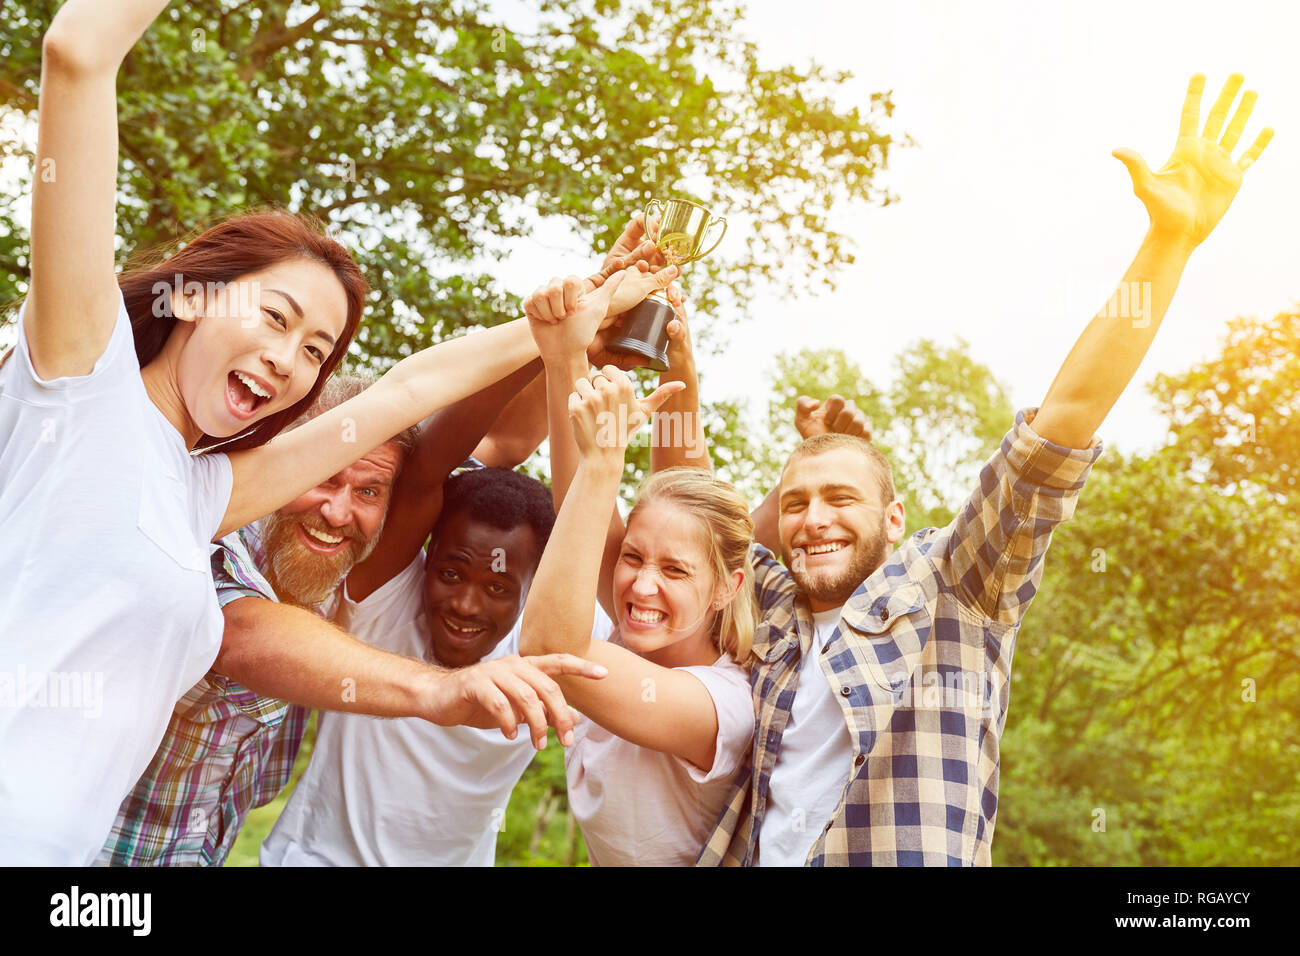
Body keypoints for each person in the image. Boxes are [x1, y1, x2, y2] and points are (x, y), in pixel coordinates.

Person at [0, 0, 673, 865]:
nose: (288, 361)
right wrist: (435, 691)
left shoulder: (207, 492)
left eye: (315, 349)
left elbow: (410, 389)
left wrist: (582, 311)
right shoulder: (77, 383)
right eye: (273, 319)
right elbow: (78, 51)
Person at [696, 73, 1273, 866]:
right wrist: (694, 366)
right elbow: (697, 527)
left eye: (840, 498)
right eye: (795, 502)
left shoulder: (952, 588)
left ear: (894, 520)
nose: (812, 517)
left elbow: (1060, 426)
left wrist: (1168, 242)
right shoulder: (771, 613)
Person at [97, 368, 602, 866]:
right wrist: (434, 691)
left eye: (368, 491)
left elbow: (504, 438)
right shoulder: (217, 528)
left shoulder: (336, 565)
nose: (339, 512)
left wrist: (570, 345)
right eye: (323, 476)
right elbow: (240, 635)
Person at [515, 268, 757, 865]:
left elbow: (548, 646)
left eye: (677, 572)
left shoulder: (719, 706)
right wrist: (564, 354)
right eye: (631, 557)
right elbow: (580, 494)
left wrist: (607, 464)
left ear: (727, 588)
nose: (642, 584)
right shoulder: (630, 636)